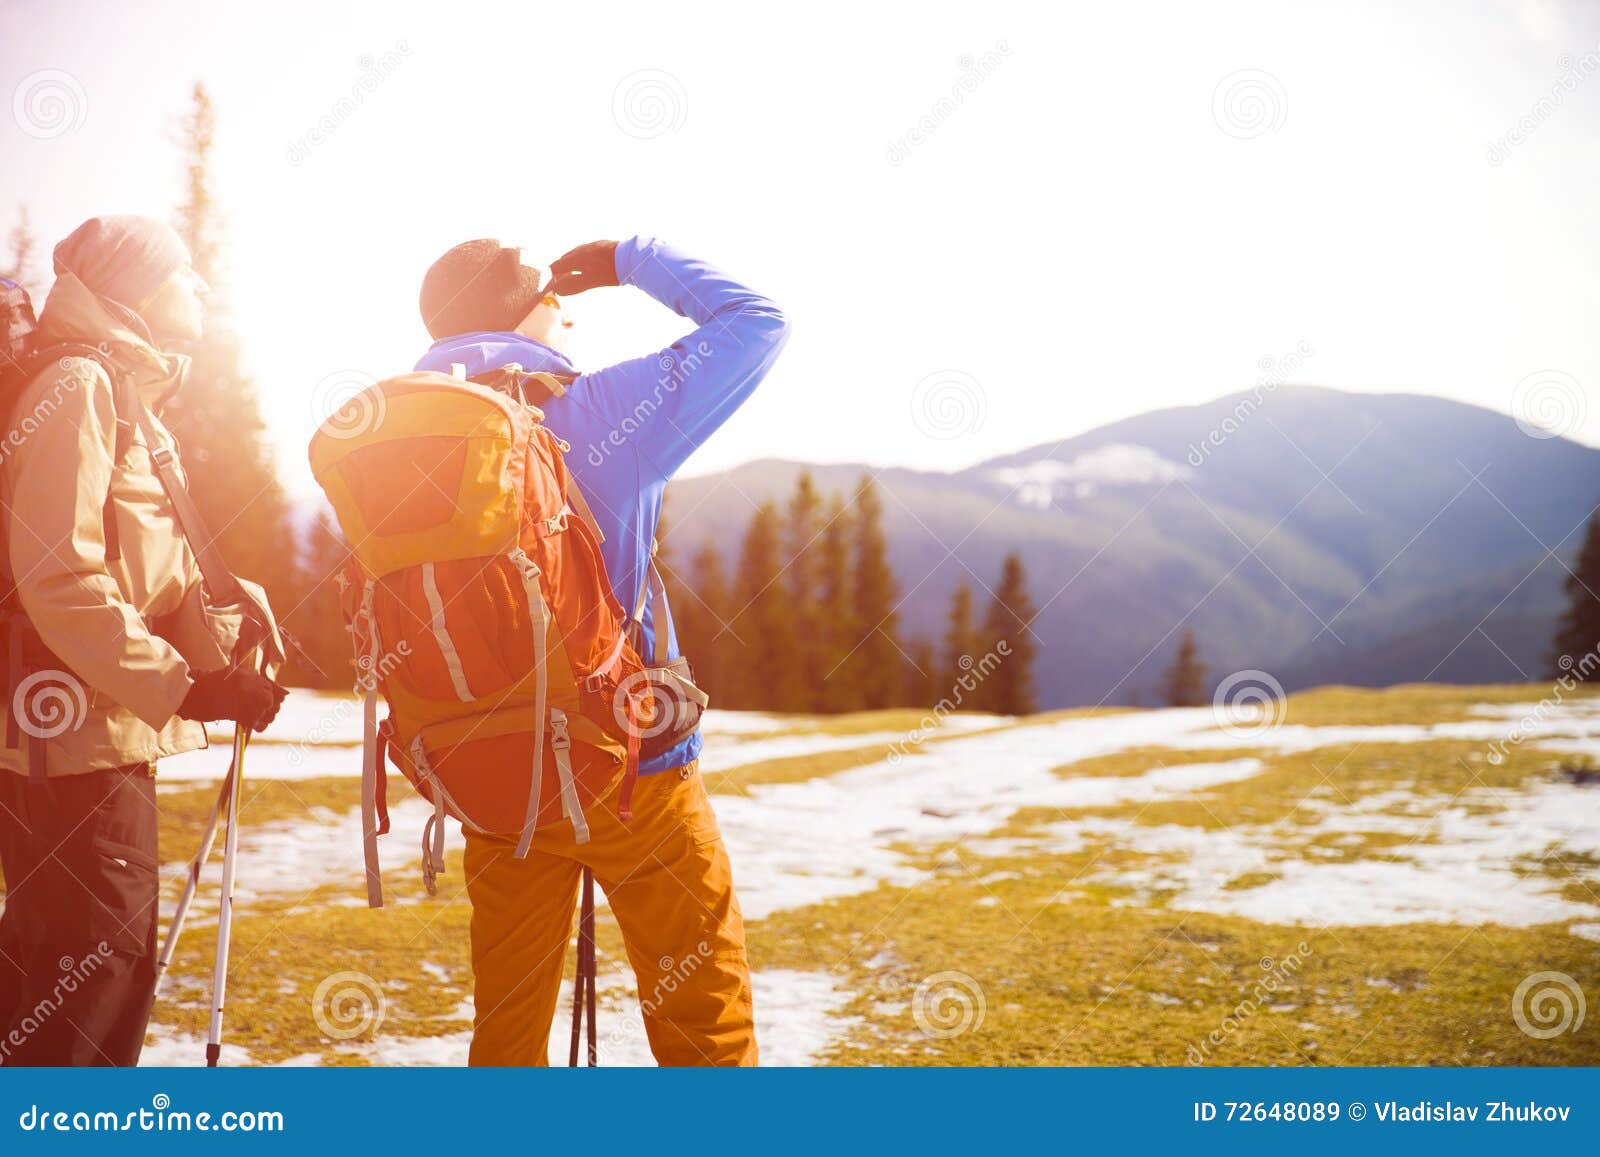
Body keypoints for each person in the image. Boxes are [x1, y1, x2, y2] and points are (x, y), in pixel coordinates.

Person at [416, 235, 788, 1065]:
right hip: (632, 769)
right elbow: (757, 323)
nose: (568, 315)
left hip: (493, 779)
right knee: (703, 1019)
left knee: (506, 1035)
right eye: (555, 300)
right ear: (527, 312)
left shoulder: (402, 443)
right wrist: (631, 258)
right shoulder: (602, 411)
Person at [0, 215, 285, 1066]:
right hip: (72, 738)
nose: (199, 286)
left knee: (51, 969)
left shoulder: (121, 391)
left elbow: (144, 567)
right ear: (135, 285)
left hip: (87, 731)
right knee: (92, 975)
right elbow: (59, 574)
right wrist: (187, 687)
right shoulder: (79, 384)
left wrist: (227, 635)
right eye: (181, 272)